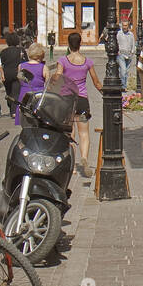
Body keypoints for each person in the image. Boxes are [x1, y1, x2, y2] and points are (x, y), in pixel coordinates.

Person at [52, 31, 103, 177]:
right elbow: (96, 82)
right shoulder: (87, 62)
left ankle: (72, 166)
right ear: (80, 44)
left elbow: (58, 77)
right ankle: (84, 158)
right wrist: (105, 93)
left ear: (68, 44)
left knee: (70, 133)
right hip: (82, 100)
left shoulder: (63, 61)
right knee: (84, 132)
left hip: (67, 100)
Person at [15, 42, 49, 125]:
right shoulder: (43, 67)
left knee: (25, 122)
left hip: (24, 95)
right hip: (38, 96)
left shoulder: (21, 66)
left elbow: (20, 80)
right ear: (41, 54)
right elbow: (48, 84)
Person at [0, 30, 23, 118]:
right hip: (17, 73)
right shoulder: (21, 50)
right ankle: (14, 111)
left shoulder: (4, 52)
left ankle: (11, 108)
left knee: (9, 92)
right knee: (16, 92)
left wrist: (0, 73)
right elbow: (26, 62)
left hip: (7, 73)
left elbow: (0, 63)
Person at [115, 20, 136, 90]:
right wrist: (117, 51)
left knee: (126, 71)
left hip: (129, 54)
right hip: (121, 54)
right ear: (121, 26)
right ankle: (123, 86)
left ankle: (124, 84)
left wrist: (133, 51)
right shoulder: (119, 34)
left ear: (128, 26)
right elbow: (116, 42)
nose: (124, 27)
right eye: (123, 25)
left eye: (126, 25)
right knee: (123, 70)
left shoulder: (131, 34)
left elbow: (133, 43)